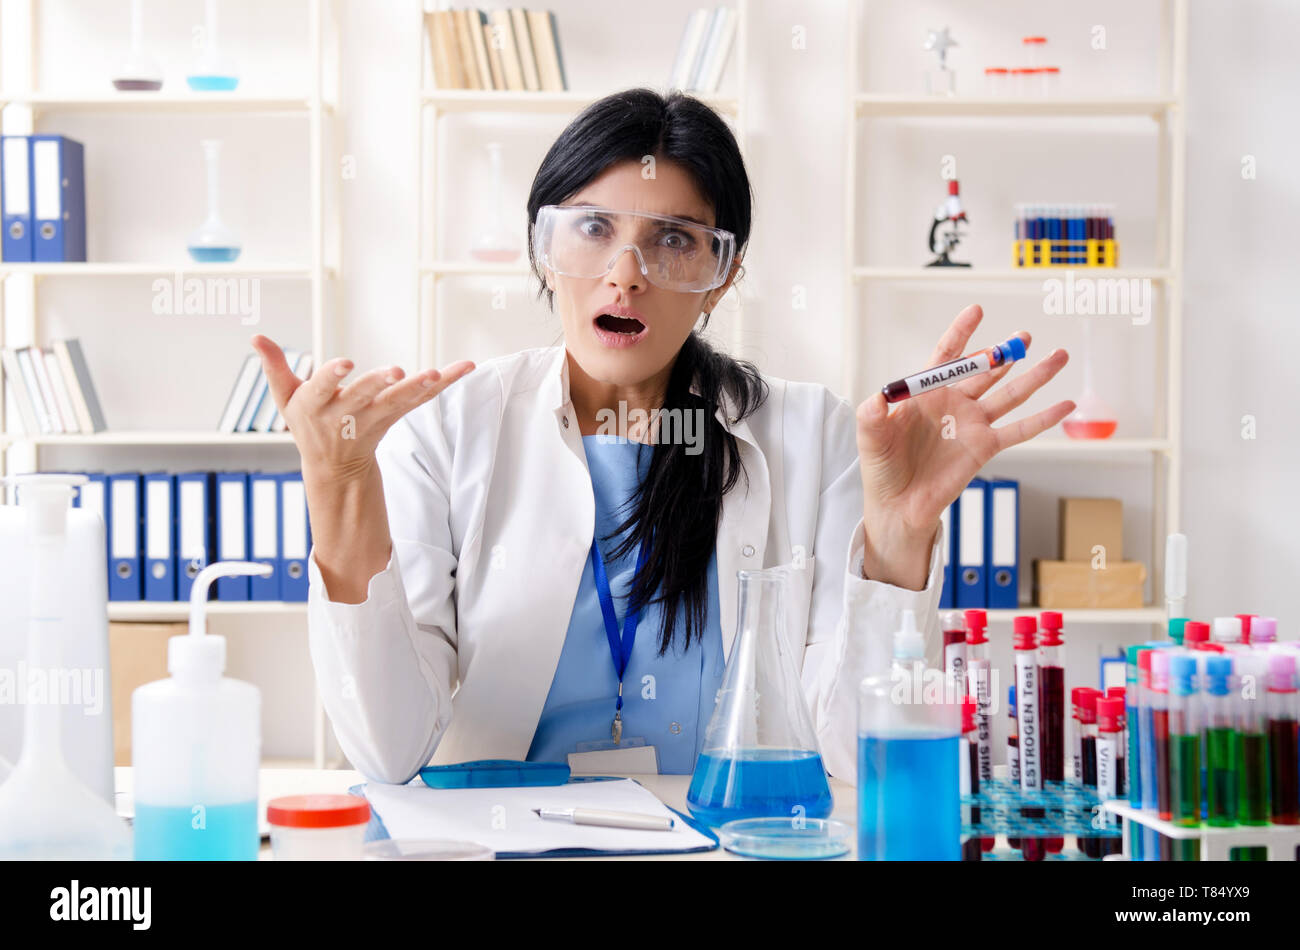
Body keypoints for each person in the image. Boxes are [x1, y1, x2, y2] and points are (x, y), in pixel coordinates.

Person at [251, 88, 1073, 785]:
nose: (627, 272)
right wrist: (335, 492)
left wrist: (897, 542)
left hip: (729, 834)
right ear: (545, 251)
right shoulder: (445, 430)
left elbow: (858, 755)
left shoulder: (812, 432)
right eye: (594, 227)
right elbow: (387, 749)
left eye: (674, 240)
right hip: (496, 835)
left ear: (721, 279)